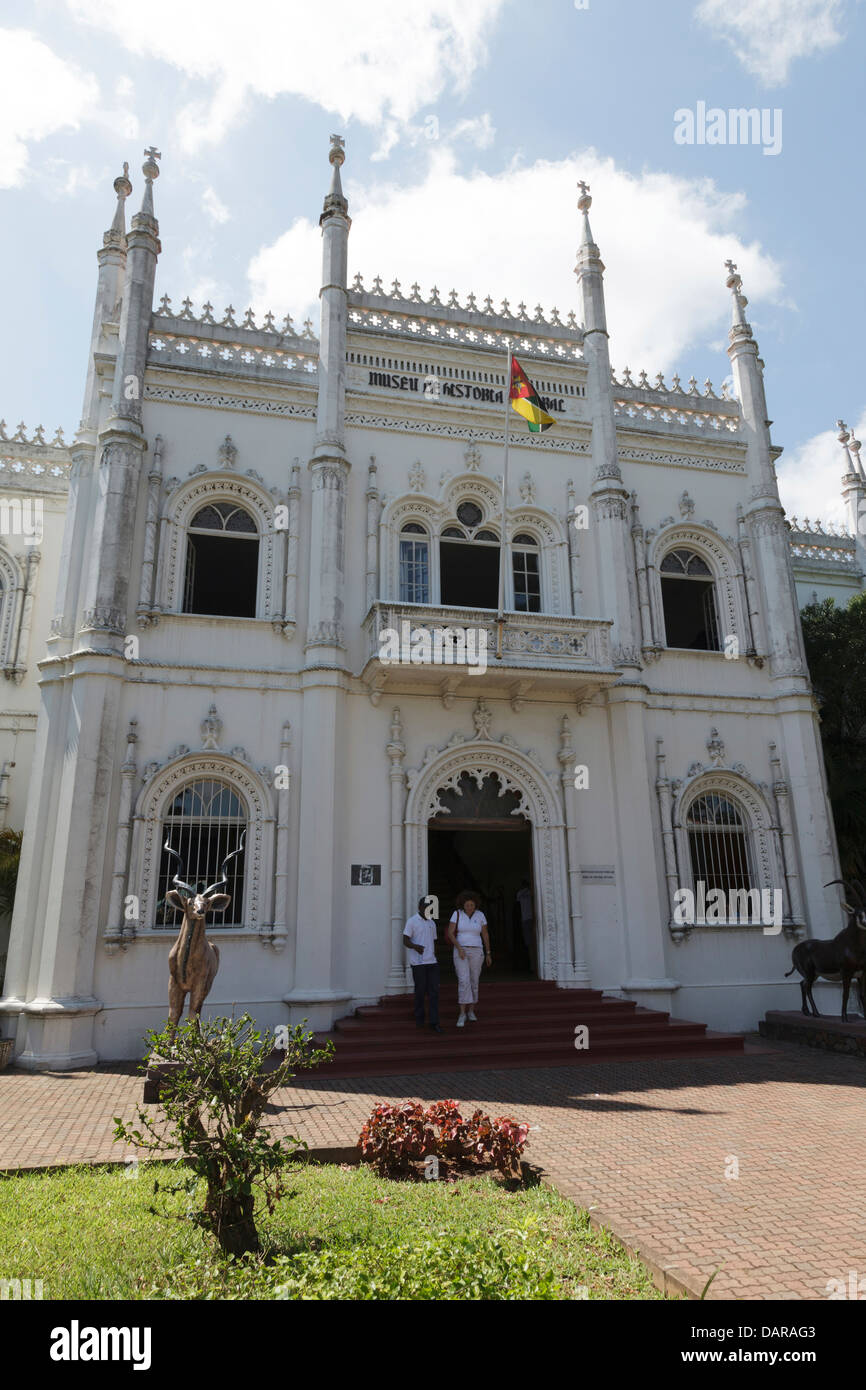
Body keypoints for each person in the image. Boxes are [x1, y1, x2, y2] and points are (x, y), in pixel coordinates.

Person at [446, 889, 492, 1027]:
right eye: (467, 905)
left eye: (471, 905)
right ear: (463, 904)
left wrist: (488, 952)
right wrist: (459, 948)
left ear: (475, 904)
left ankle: (471, 1011)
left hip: (477, 951)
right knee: (463, 981)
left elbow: (485, 934)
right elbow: (450, 932)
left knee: (474, 981)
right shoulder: (457, 914)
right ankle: (462, 1013)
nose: (469, 907)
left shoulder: (480, 915)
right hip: (461, 951)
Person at [403, 896, 442, 1032]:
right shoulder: (412, 921)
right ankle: (419, 1018)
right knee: (420, 991)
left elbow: (434, 941)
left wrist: (434, 955)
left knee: (434, 992)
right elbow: (405, 940)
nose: (427, 909)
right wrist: (415, 947)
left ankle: (434, 1022)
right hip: (418, 963)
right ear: (419, 907)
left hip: (432, 962)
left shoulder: (432, 923)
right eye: (425, 906)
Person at [516, 878, 536, 973]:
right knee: (530, 944)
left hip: (533, 919)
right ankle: (533, 966)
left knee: (534, 944)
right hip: (527, 919)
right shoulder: (522, 893)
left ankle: (534, 966)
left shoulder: (524, 893)